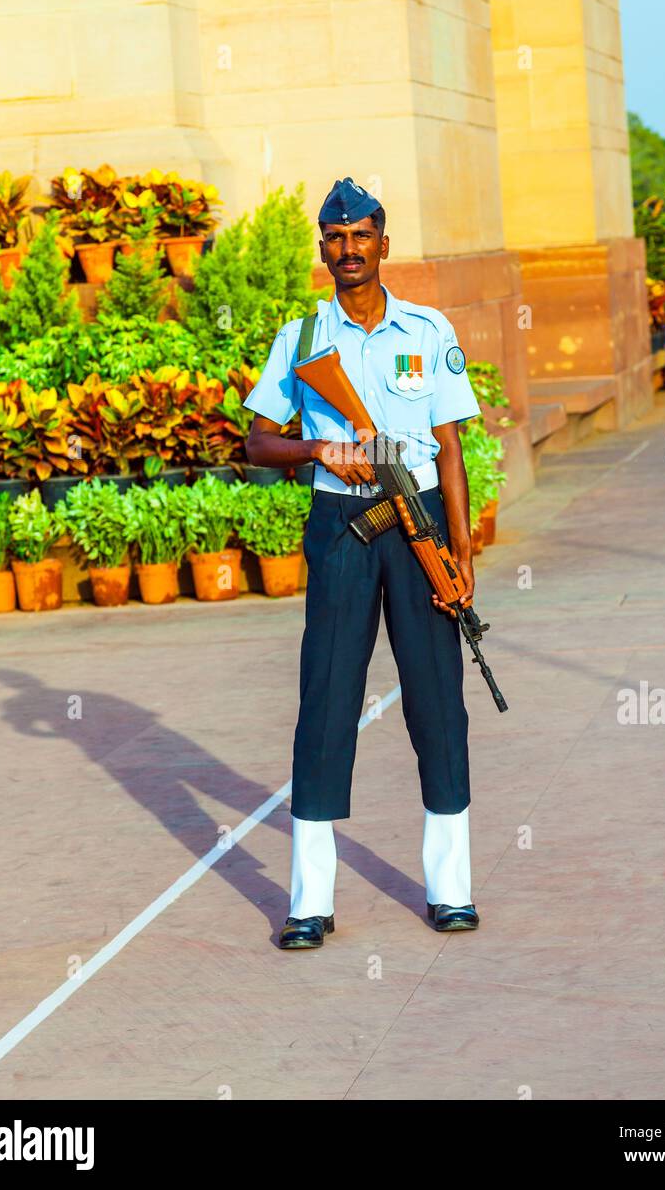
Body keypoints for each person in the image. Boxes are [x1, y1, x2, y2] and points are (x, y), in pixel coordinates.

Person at [243, 177, 484, 949]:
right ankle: (309, 903)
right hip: (342, 526)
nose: (347, 250)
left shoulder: (427, 328)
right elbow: (255, 444)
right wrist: (319, 447)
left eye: (360, 237)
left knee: (437, 700)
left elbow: (449, 447)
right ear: (325, 249)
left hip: (414, 521)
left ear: (384, 243)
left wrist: (460, 548)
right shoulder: (303, 340)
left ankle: (451, 889)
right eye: (334, 239)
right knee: (327, 701)